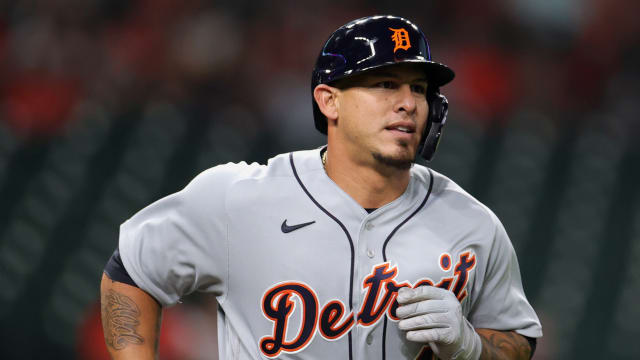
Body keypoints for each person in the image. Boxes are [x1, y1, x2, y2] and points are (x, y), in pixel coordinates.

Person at [100, 15, 542, 359]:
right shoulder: (239, 198)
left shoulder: (472, 224)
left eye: (419, 88)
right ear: (329, 100)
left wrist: (470, 348)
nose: (408, 103)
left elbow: (515, 339)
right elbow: (132, 273)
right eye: (385, 84)